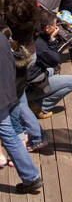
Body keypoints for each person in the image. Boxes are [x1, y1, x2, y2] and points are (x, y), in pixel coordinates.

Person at [0, 28, 42, 192]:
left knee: (8, 133)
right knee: (8, 132)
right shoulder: (3, 39)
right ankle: (31, 177)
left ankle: (31, 177)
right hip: (8, 92)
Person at [28, 16, 72, 118]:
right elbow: (55, 60)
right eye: (54, 25)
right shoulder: (40, 46)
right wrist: (52, 39)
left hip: (25, 80)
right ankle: (39, 107)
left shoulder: (33, 35)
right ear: (47, 28)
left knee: (50, 70)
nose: (56, 27)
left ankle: (33, 101)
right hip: (30, 87)